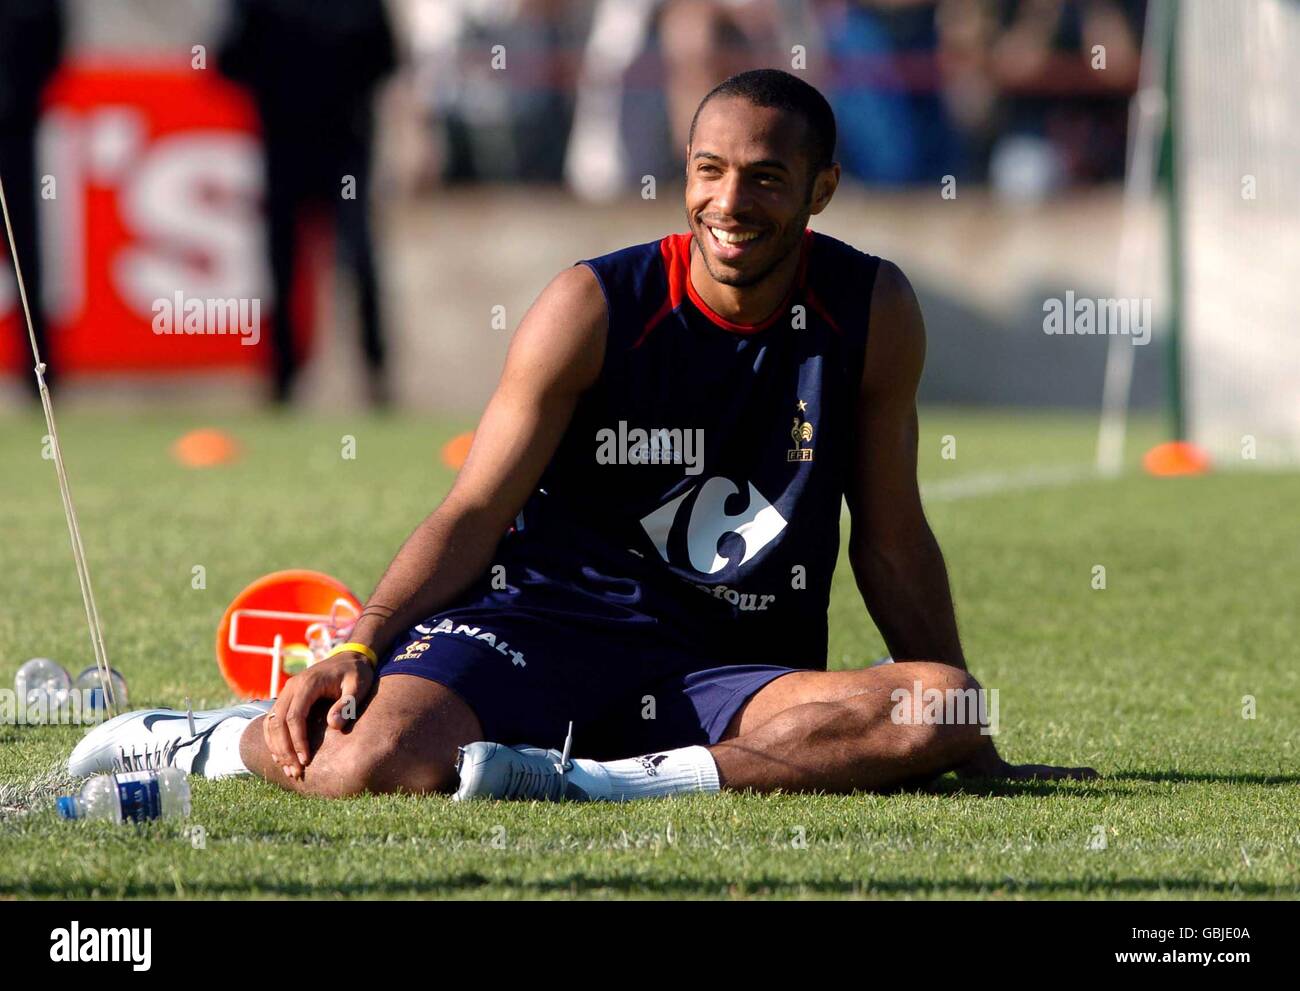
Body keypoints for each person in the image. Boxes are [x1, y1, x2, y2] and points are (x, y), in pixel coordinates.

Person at [69, 70, 1095, 799]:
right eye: (708, 170)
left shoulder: (873, 309)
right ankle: (204, 739)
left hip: (727, 670)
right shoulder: (594, 304)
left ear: (821, 188)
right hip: (540, 630)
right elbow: (474, 507)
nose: (728, 202)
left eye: (767, 178)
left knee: (941, 708)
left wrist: (974, 751)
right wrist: (357, 642)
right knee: (364, 767)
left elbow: (890, 535)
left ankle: (595, 787)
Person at [216, 0, 397, 405]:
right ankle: (313, 376)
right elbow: (227, 60)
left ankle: (339, 374)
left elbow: (384, 58)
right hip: (311, 144)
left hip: (323, 146)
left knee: (338, 259)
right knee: (304, 261)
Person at [0, 0, 64, 402]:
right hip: (18, 126)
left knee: (25, 256)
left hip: (15, 135)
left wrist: (18, 101)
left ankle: (40, 372)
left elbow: (50, 45)